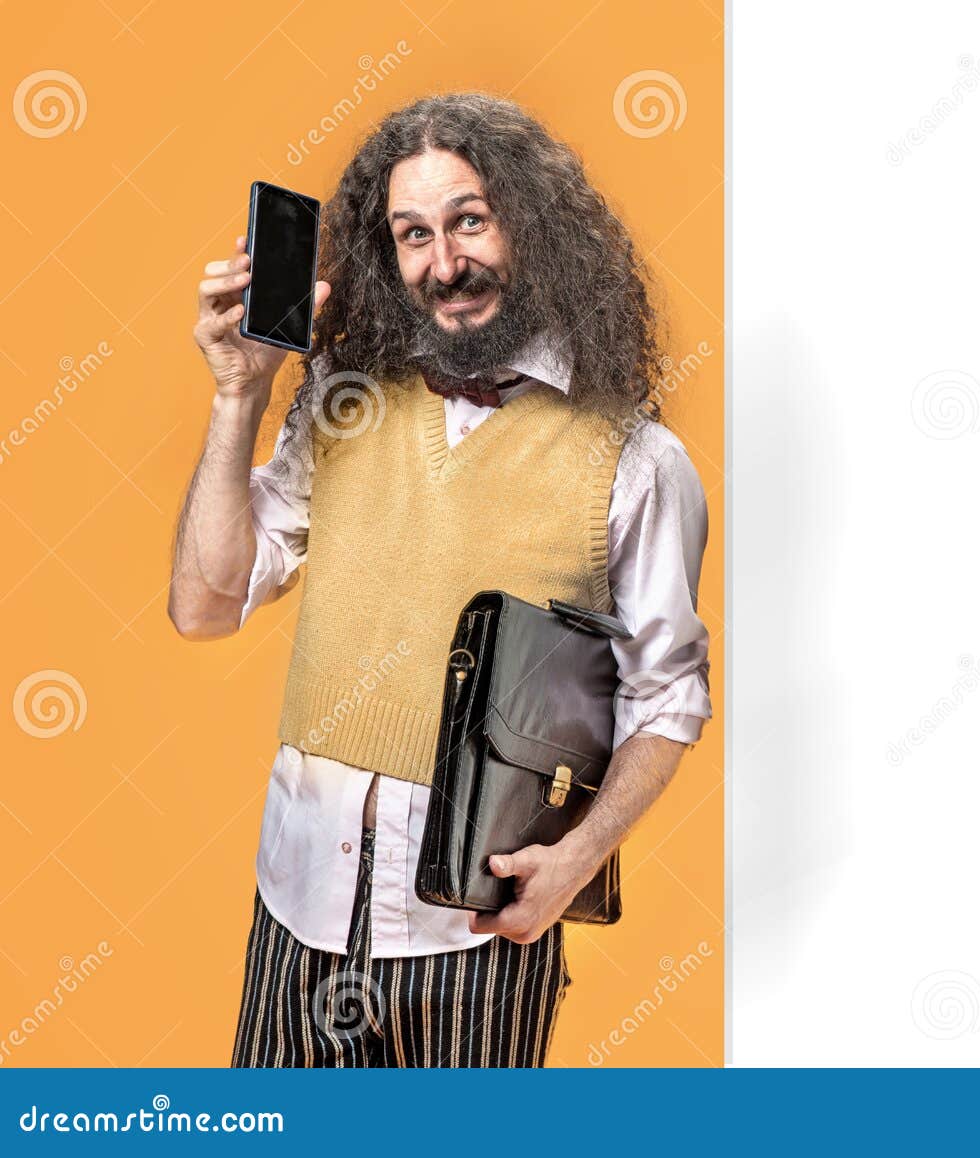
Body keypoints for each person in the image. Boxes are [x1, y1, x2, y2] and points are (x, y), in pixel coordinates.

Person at [167, 93, 711, 1067]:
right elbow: (203, 606)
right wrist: (238, 395)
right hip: (294, 907)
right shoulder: (341, 403)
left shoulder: (637, 461)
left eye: (469, 220)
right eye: (413, 233)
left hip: (475, 937)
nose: (444, 262)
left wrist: (578, 859)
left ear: (534, 225)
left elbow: (666, 698)